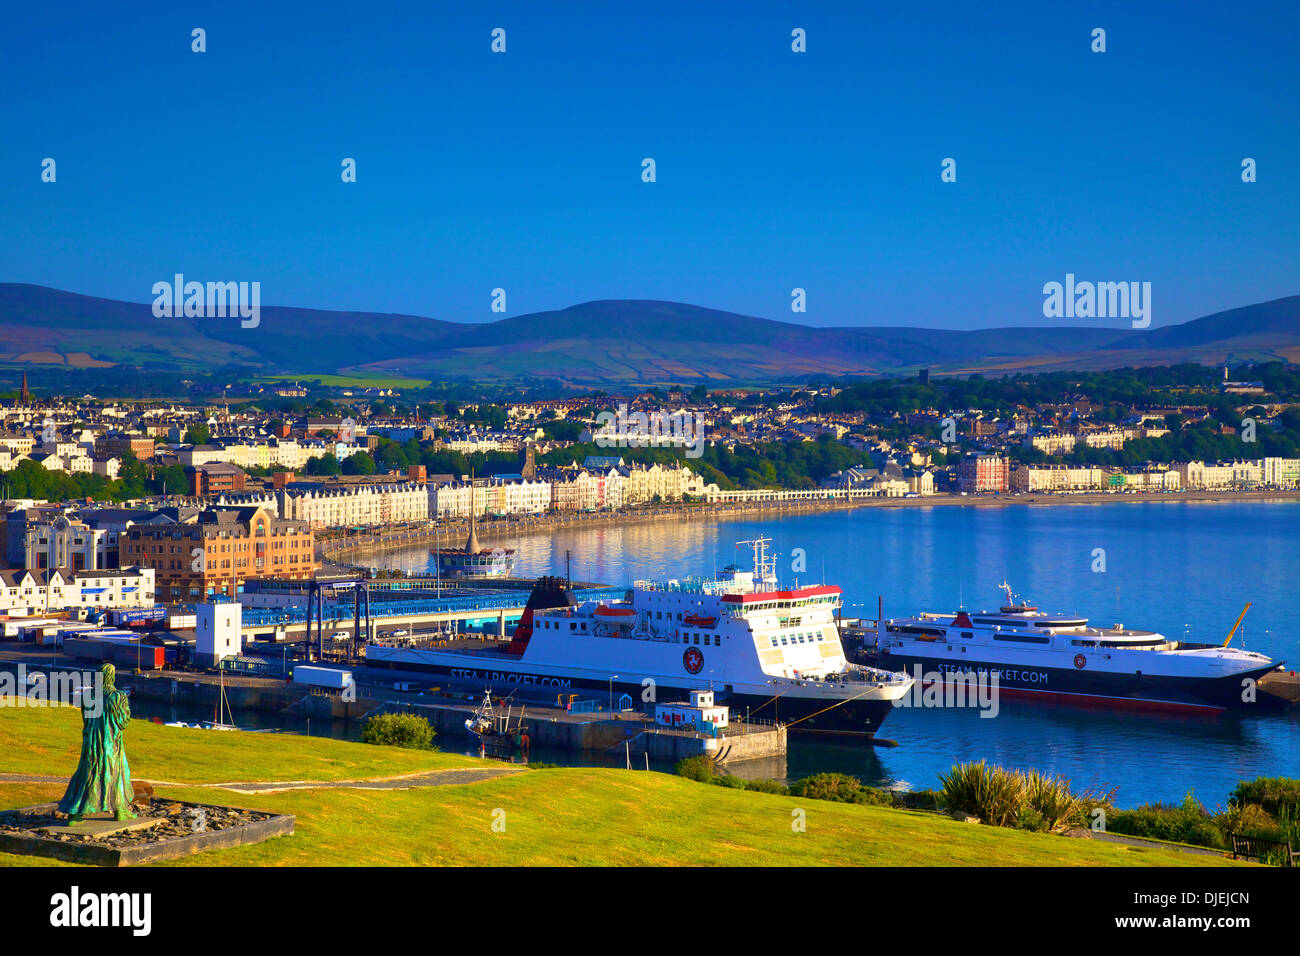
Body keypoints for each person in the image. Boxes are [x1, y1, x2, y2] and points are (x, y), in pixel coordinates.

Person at [59, 663, 135, 822]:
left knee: (87, 774)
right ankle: (120, 810)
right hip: (110, 743)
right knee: (116, 773)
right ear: (112, 677)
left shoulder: (88, 696)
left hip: (91, 742)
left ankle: (76, 812)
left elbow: (85, 720)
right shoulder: (118, 696)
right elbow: (123, 722)